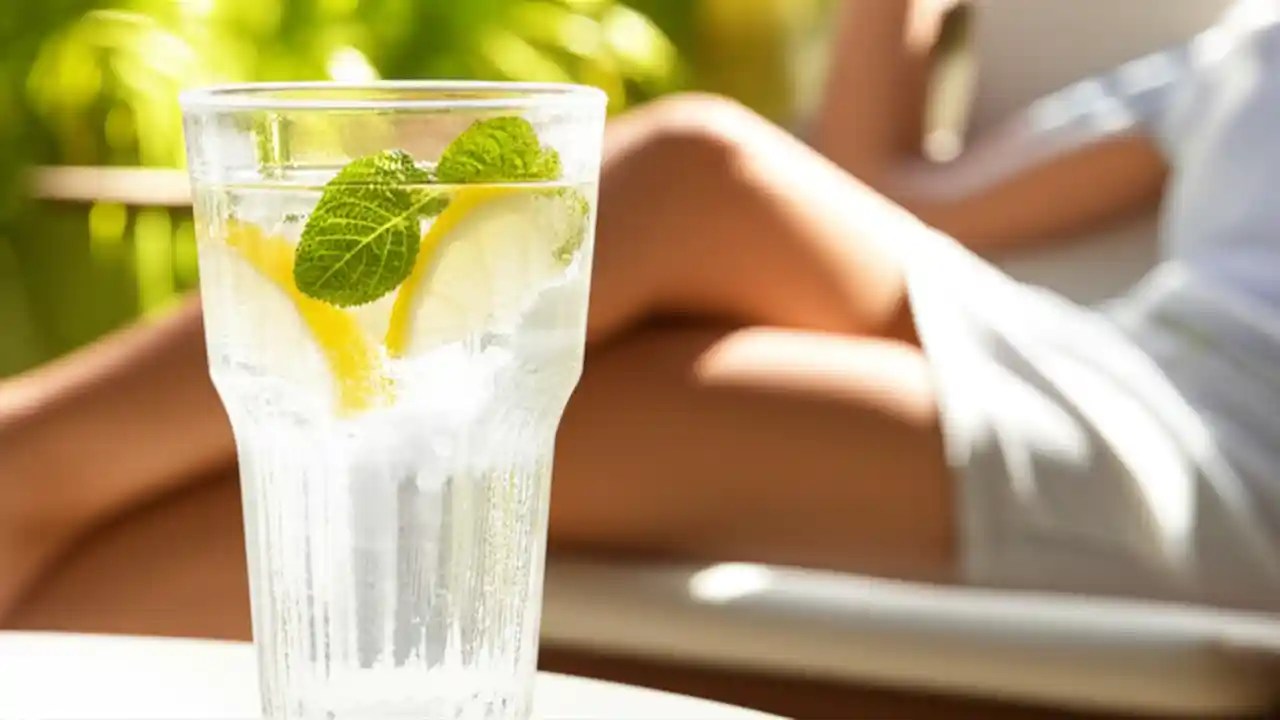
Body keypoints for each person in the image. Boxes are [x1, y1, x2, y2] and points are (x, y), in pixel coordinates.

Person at [4, 0, 1279, 634]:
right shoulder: (1238, 46)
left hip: (1218, 465)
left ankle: (26, 524)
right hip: (1113, 362)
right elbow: (889, 199)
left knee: (529, 420)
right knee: (694, 176)